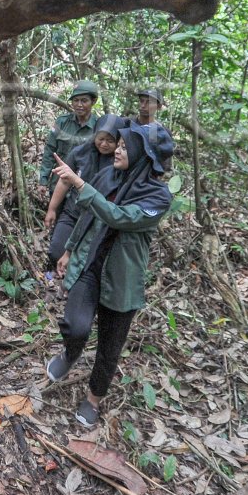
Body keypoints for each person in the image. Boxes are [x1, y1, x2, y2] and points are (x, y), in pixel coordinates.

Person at [45, 122, 175, 427]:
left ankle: (93, 400)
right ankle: (70, 353)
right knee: (75, 326)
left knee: (109, 347)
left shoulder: (158, 197)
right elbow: (88, 216)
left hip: (122, 282)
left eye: (125, 147)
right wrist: (68, 250)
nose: (117, 149)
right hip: (91, 264)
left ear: (144, 156)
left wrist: (79, 183)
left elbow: (119, 217)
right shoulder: (108, 175)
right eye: (118, 144)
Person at [43, 113, 127, 278]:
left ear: (119, 141)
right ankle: (61, 271)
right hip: (73, 212)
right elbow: (64, 181)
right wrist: (52, 209)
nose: (103, 144)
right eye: (100, 138)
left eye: (110, 141)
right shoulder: (80, 152)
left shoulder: (121, 160)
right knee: (55, 252)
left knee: (88, 262)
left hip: (98, 220)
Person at [39, 81, 101, 194]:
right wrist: (43, 180)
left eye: (84, 100)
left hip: (84, 187)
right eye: (75, 100)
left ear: (93, 101)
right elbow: (49, 152)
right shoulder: (62, 122)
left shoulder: (99, 126)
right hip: (58, 184)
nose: (79, 105)